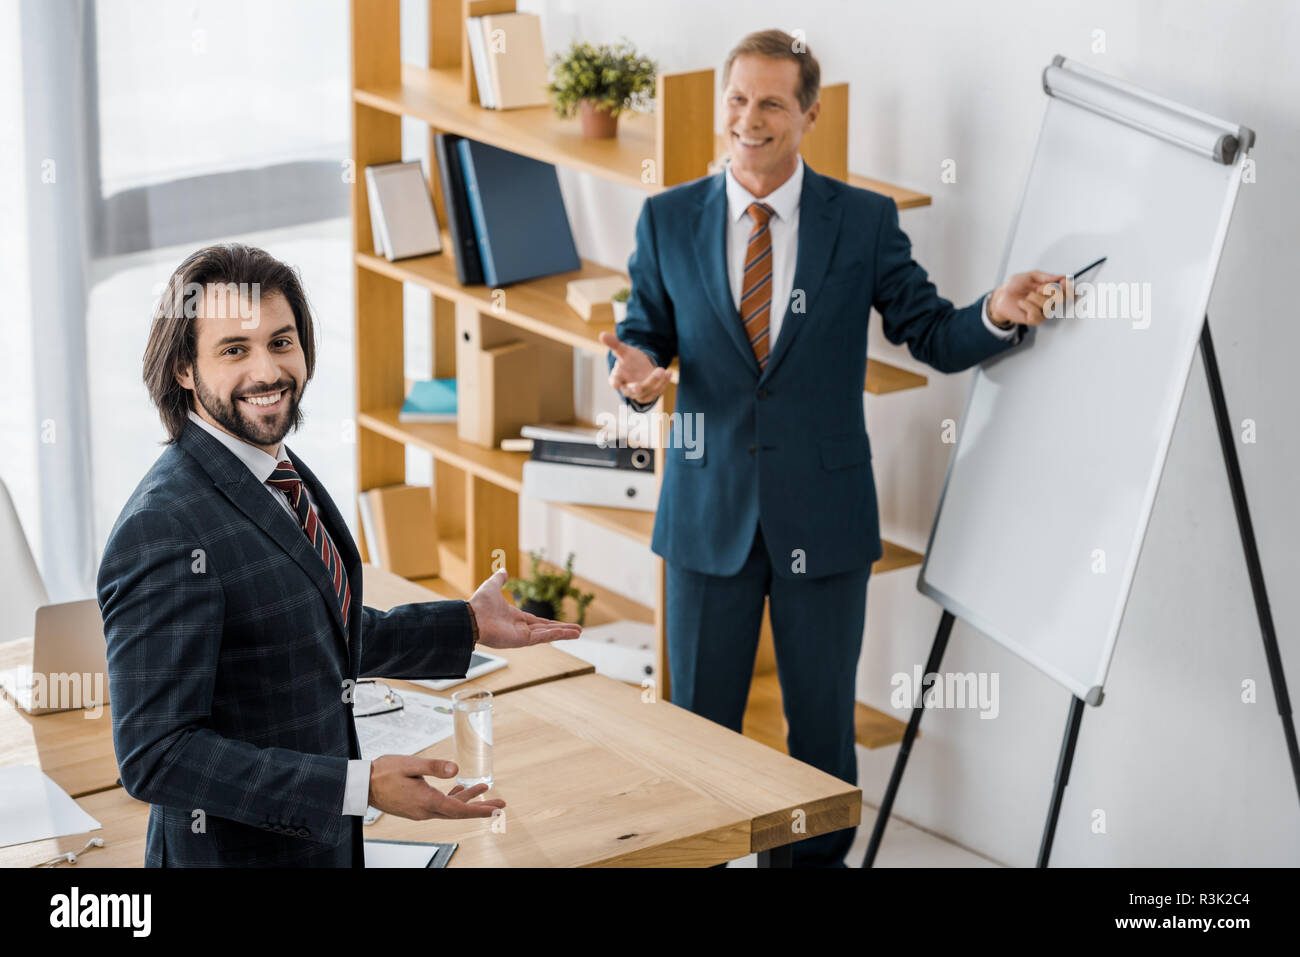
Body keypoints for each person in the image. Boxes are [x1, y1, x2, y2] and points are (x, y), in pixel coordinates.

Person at [602, 29, 1063, 867]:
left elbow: (928, 330)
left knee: (819, 741)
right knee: (699, 735)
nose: (750, 118)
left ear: (809, 114)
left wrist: (995, 310)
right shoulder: (666, 218)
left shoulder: (862, 221)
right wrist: (630, 374)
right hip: (707, 521)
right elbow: (642, 334)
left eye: (772, 102)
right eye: (738, 99)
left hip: (826, 517)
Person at [98, 243, 580, 867]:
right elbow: (156, 755)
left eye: (281, 341)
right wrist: (357, 787)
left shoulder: (272, 469)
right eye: (234, 350)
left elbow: (305, 635)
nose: (268, 372)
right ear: (184, 369)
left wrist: (464, 624)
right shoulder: (163, 527)